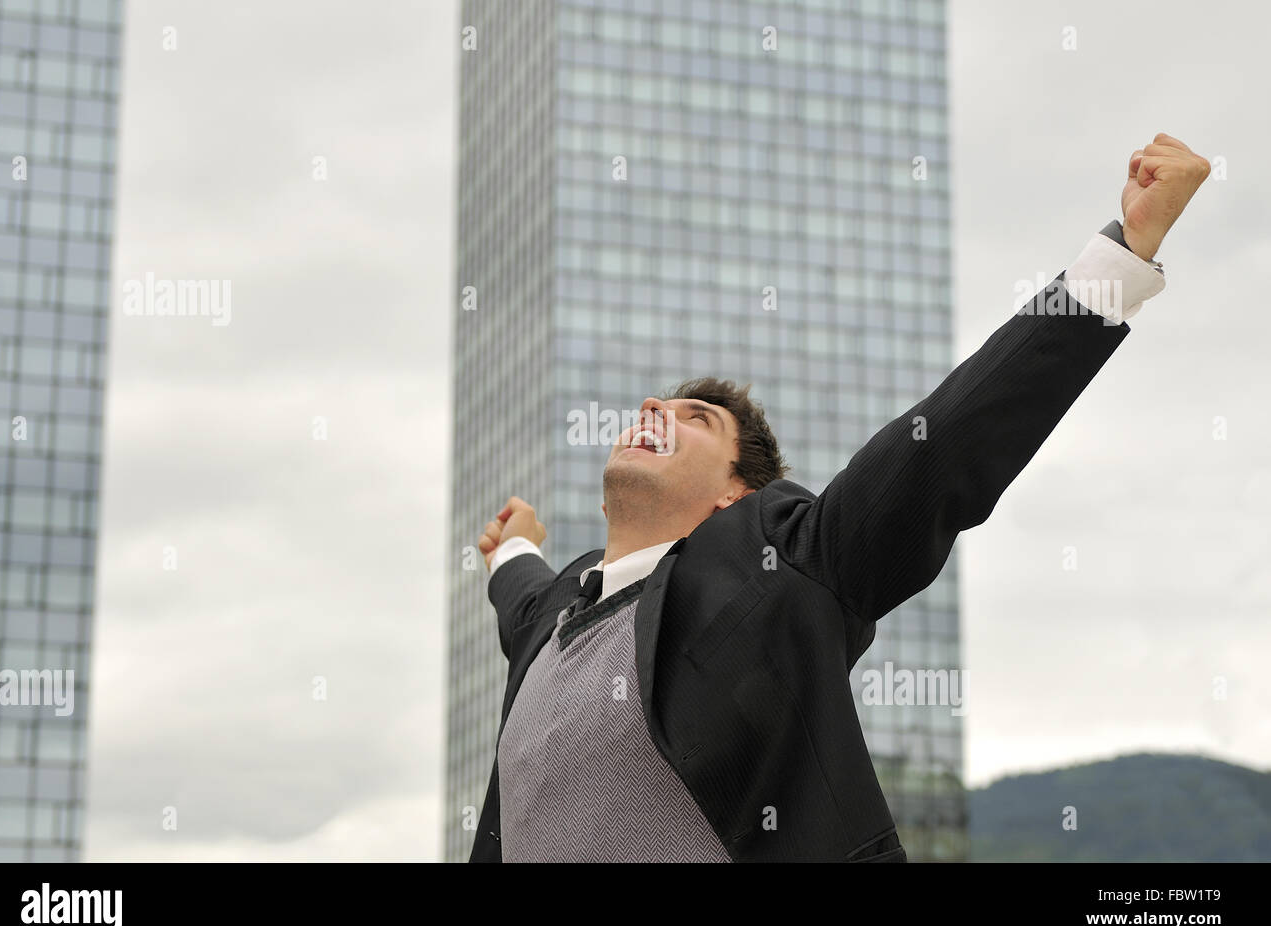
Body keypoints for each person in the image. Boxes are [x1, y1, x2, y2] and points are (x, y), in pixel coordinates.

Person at [470, 134, 1211, 862]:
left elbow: (942, 449)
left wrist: (1117, 263)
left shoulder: (773, 566)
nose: (654, 409)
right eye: (658, 405)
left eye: (698, 418)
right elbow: (521, 591)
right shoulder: (552, 615)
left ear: (735, 494)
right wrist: (514, 543)